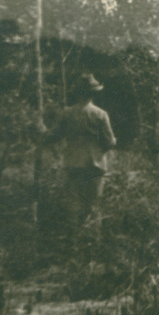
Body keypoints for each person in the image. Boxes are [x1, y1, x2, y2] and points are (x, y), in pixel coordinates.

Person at [43, 73, 117, 232]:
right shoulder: (100, 114)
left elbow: (53, 137)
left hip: (73, 163)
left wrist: (39, 131)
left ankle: (73, 243)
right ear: (93, 93)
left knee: (73, 206)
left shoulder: (67, 113)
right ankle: (92, 242)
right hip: (94, 165)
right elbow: (110, 142)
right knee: (93, 205)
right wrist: (102, 149)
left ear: (77, 93)